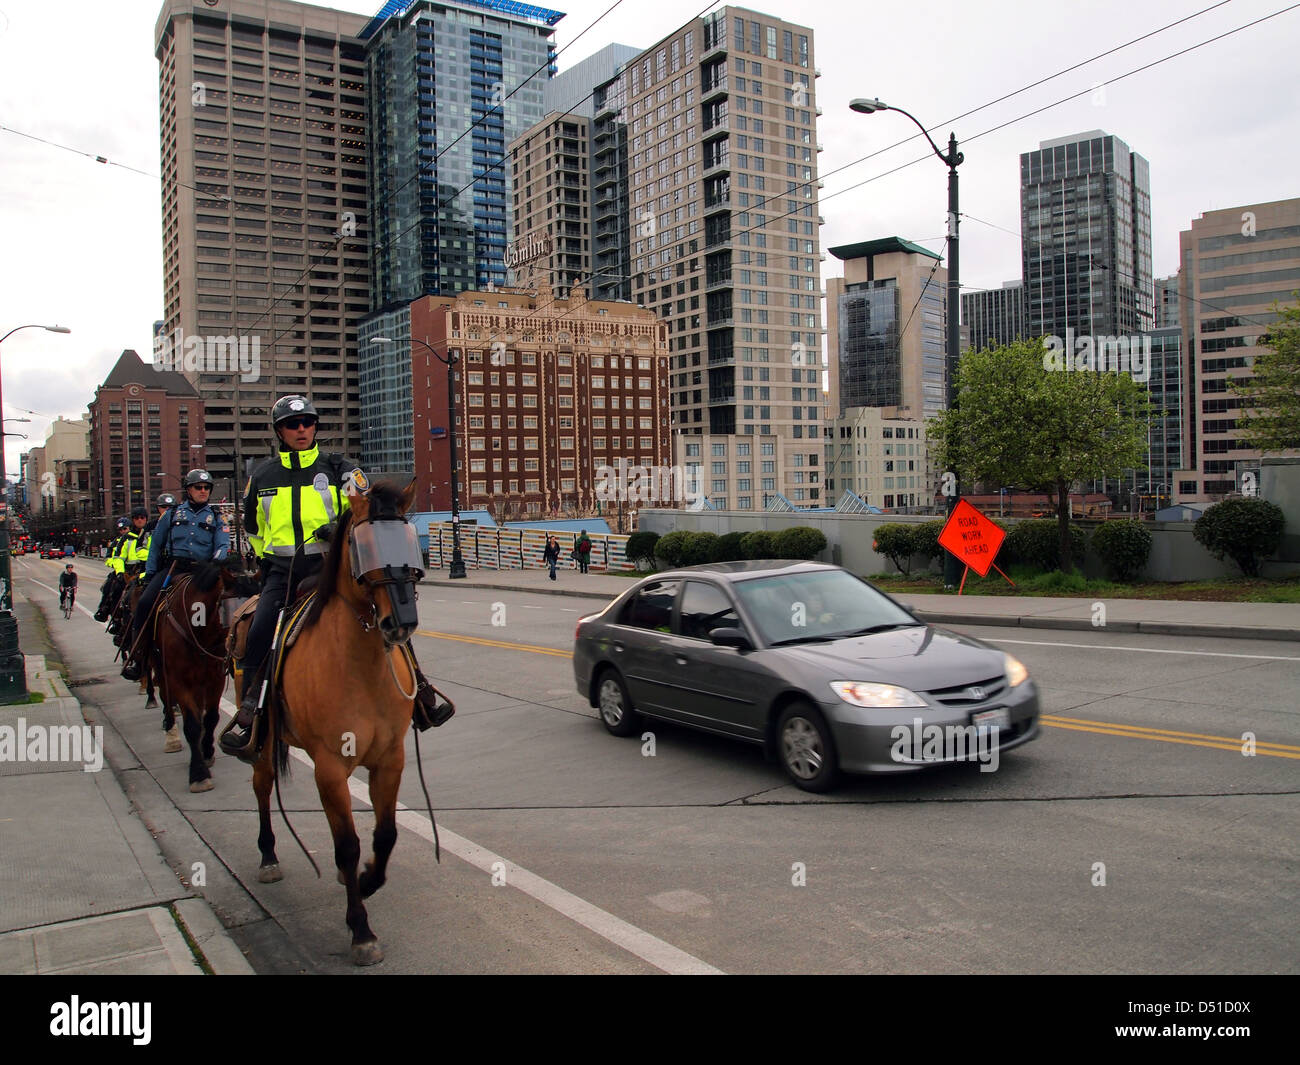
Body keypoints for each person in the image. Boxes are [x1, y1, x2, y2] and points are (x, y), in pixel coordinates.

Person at [222, 394, 450, 758]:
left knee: (387, 616)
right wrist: (268, 558)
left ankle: (421, 693)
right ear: (280, 431)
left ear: (315, 427)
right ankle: (251, 713)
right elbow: (252, 527)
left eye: (307, 423)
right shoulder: (262, 476)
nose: (301, 429)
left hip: (333, 568)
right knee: (261, 630)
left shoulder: (339, 470)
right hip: (284, 572)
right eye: (292, 425)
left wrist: (335, 529)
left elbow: (365, 512)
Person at [120, 470, 229, 681]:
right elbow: (155, 547)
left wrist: (215, 563)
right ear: (188, 490)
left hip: (203, 571)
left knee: (230, 604)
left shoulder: (217, 517)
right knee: (144, 604)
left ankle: (232, 655)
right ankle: (138, 657)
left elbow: (223, 545)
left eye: (206, 488)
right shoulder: (171, 515)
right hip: (174, 568)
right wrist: (151, 574)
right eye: (198, 487)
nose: (203, 491)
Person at [93, 517, 133, 622]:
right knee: (109, 587)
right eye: (120, 530)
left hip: (133, 570)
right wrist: (115, 565)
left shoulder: (135, 539)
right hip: (119, 571)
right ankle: (104, 610)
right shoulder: (115, 542)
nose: (123, 531)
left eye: (125, 529)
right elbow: (109, 558)